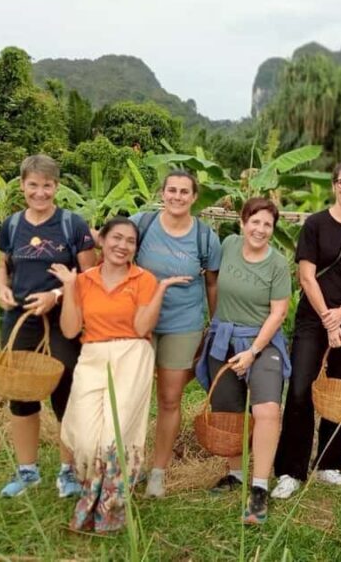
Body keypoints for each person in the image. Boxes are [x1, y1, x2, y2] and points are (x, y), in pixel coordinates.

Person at [51, 217, 188, 533]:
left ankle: (106, 505)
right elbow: (71, 328)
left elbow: (142, 328)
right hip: (93, 355)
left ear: (135, 248)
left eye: (130, 241)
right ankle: (94, 487)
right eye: (116, 238)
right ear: (102, 240)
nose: (122, 246)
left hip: (131, 355)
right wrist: (70, 287)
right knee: (85, 438)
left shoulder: (143, 279)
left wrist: (161, 290)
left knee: (114, 438)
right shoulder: (84, 280)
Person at [272, 161, 341, 500]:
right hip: (312, 320)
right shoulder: (315, 224)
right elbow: (306, 276)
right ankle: (290, 470)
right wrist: (327, 318)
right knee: (301, 389)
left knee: (340, 392)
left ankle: (330, 464)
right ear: (334, 185)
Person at [0, 155, 96, 498]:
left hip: (62, 319)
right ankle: (27, 471)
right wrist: (1, 287)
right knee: (20, 392)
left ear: (57, 187)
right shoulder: (11, 225)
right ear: (22, 185)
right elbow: (4, 265)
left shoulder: (72, 225)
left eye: (47, 186)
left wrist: (56, 294)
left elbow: (89, 275)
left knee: (64, 390)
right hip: (21, 319)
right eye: (33, 185)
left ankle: (68, 471)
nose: (40, 193)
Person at [195, 197, 292, 525]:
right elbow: (210, 279)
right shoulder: (229, 245)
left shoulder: (277, 264)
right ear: (242, 222)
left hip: (262, 342)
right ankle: (236, 473)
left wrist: (252, 352)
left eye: (268, 224)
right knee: (228, 411)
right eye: (255, 221)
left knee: (267, 410)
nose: (260, 229)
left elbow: (279, 312)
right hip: (224, 337)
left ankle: (260, 488)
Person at [131, 170, 221, 498]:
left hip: (184, 322)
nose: (178, 197)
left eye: (185, 192)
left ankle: (158, 470)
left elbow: (212, 282)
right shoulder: (142, 224)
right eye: (172, 190)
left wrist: (215, 323)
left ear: (194, 197)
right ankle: (131, 463)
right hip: (140, 320)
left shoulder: (205, 237)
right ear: (162, 192)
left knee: (170, 398)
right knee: (134, 395)